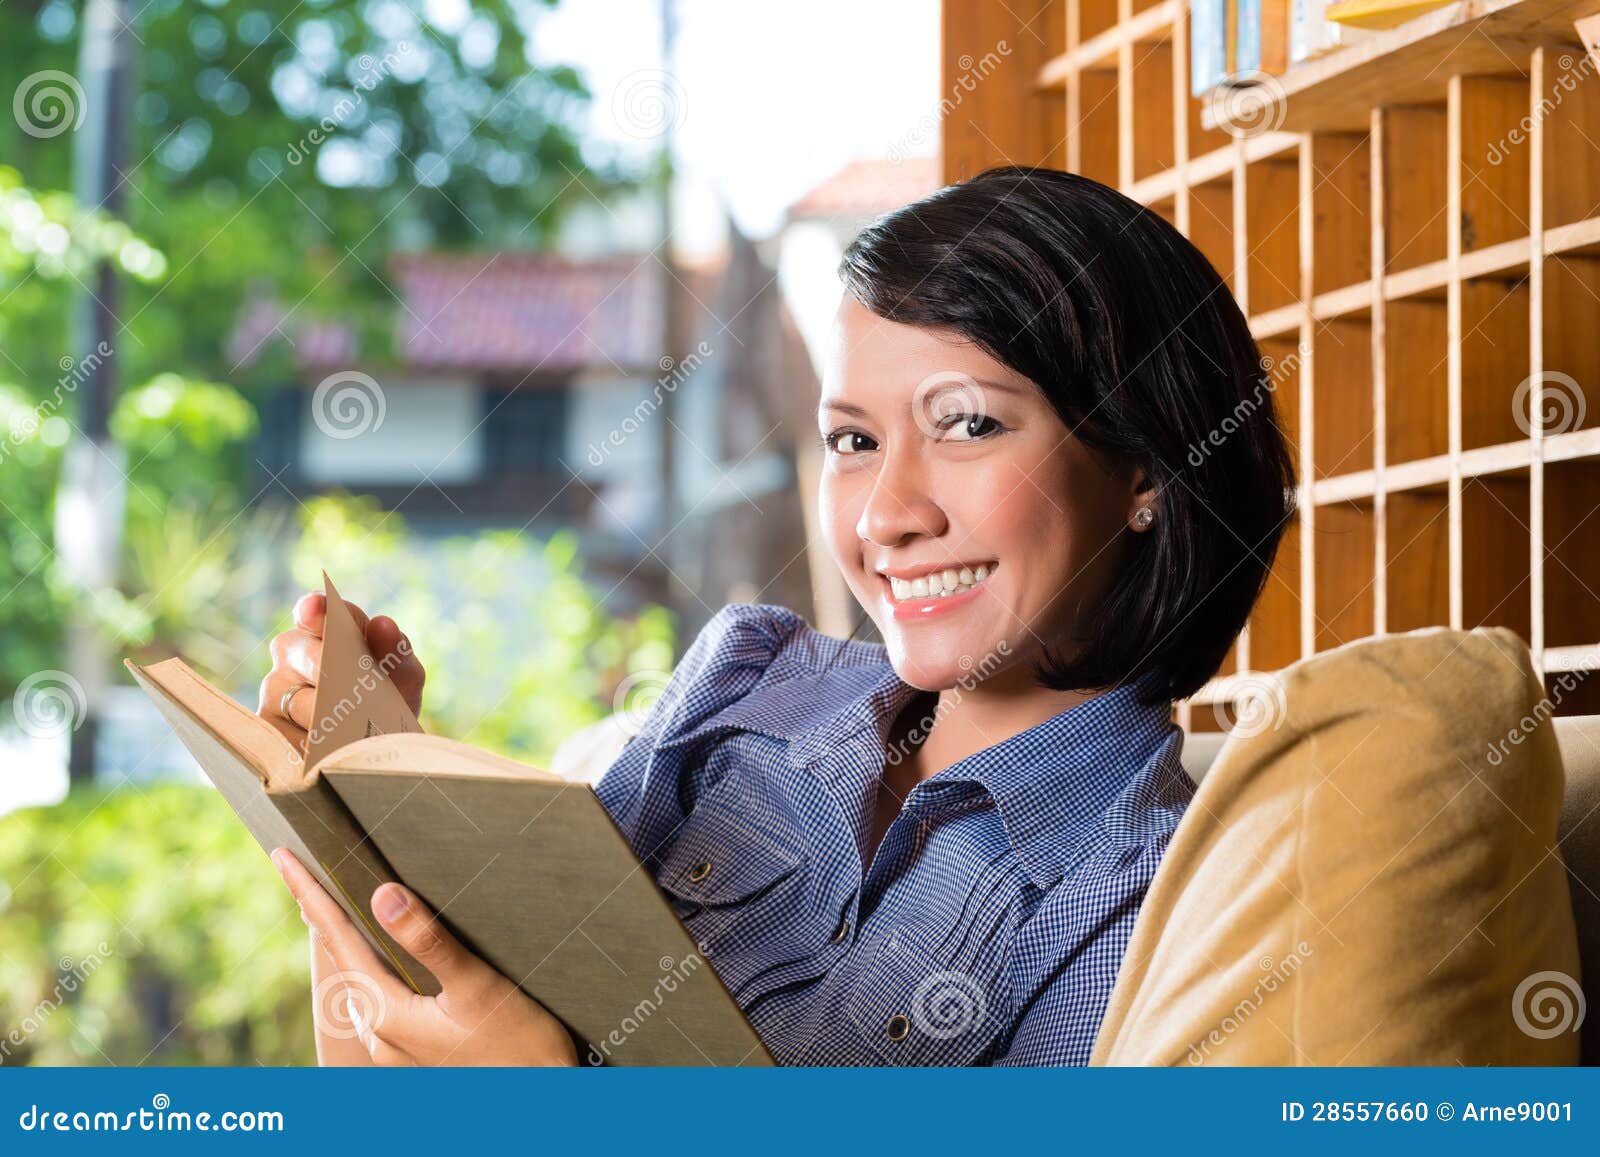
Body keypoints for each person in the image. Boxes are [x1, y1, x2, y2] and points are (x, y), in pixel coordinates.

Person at [260, 165, 1296, 1066]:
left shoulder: (1159, 903)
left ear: (1146, 469)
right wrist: (370, 807)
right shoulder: (746, 683)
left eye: (967, 425)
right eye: (853, 441)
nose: (889, 514)